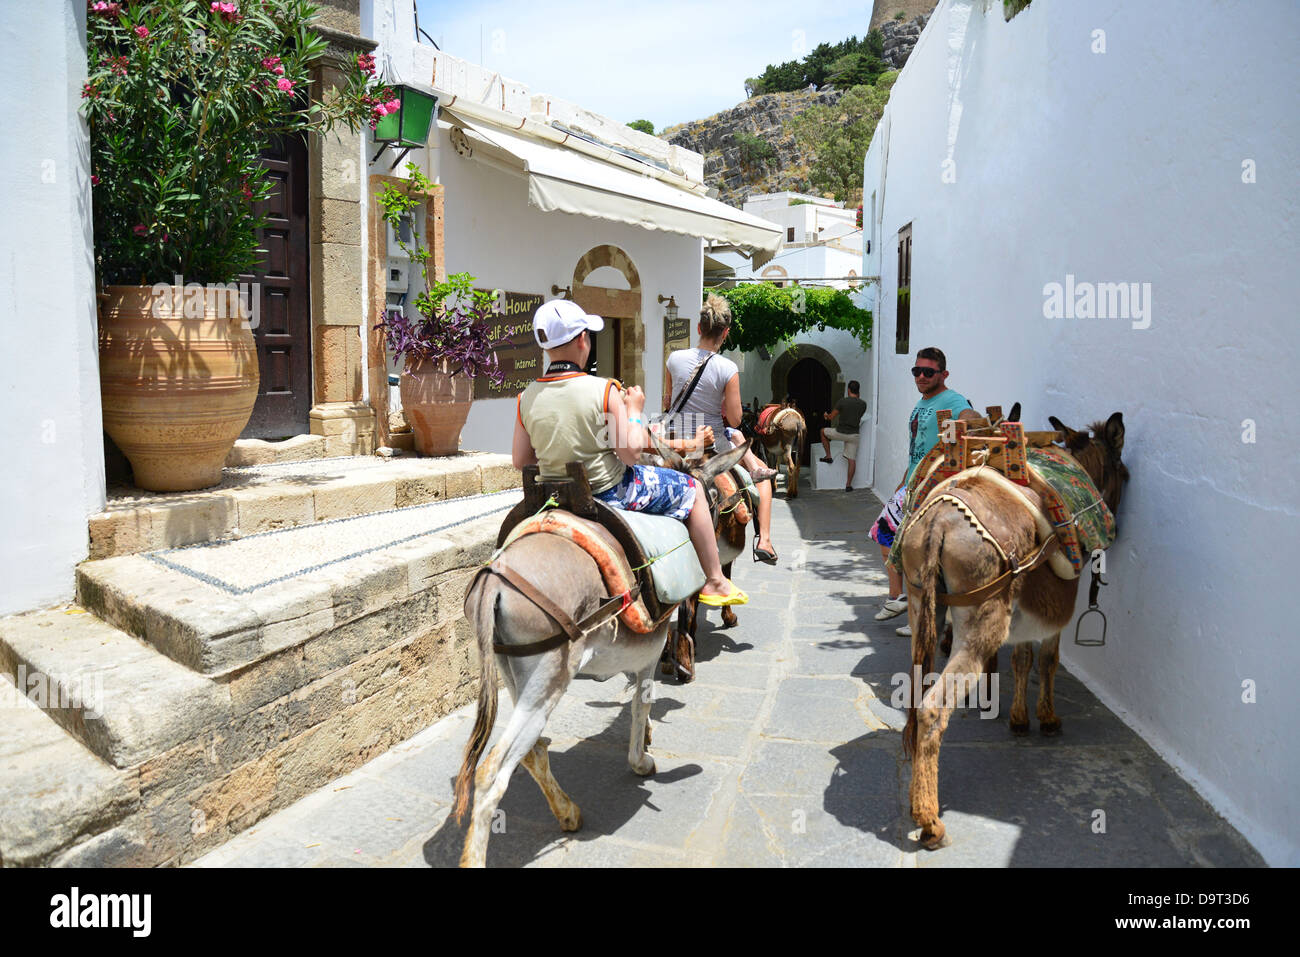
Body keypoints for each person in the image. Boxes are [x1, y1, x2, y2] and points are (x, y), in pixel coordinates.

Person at [513, 299, 746, 607]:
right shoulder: (603, 390)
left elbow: (521, 460)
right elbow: (631, 454)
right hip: (608, 491)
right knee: (693, 490)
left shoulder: (525, 397)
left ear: (547, 347)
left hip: (552, 495)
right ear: (583, 340)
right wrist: (634, 409)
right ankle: (716, 580)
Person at [869, 347, 980, 632]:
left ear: (943, 374)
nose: (921, 376)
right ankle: (903, 599)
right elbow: (917, 447)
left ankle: (909, 603)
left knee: (898, 538)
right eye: (916, 371)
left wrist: (966, 423)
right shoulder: (922, 402)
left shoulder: (951, 399)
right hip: (913, 482)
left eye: (928, 372)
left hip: (932, 484)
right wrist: (903, 480)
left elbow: (972, 415)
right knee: (892, 537)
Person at [663, 294, 780, 564]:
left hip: (675, 438)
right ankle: (765, 541)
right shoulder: (728, 368)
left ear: (698, 328)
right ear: (725, 333)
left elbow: (667, 401)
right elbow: (736, 418)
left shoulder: (674, 359)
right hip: (712, 444)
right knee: (761, 479)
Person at [819, 379, 868, 490]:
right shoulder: (863, 404)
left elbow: (831, 417)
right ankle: (848, 485)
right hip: (854, 435)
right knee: (852, 460)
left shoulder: (842, 401)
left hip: (840, 432)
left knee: (822, 431)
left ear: (848, 390)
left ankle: (828, 456)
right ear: (858, 391)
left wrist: (826, 415)